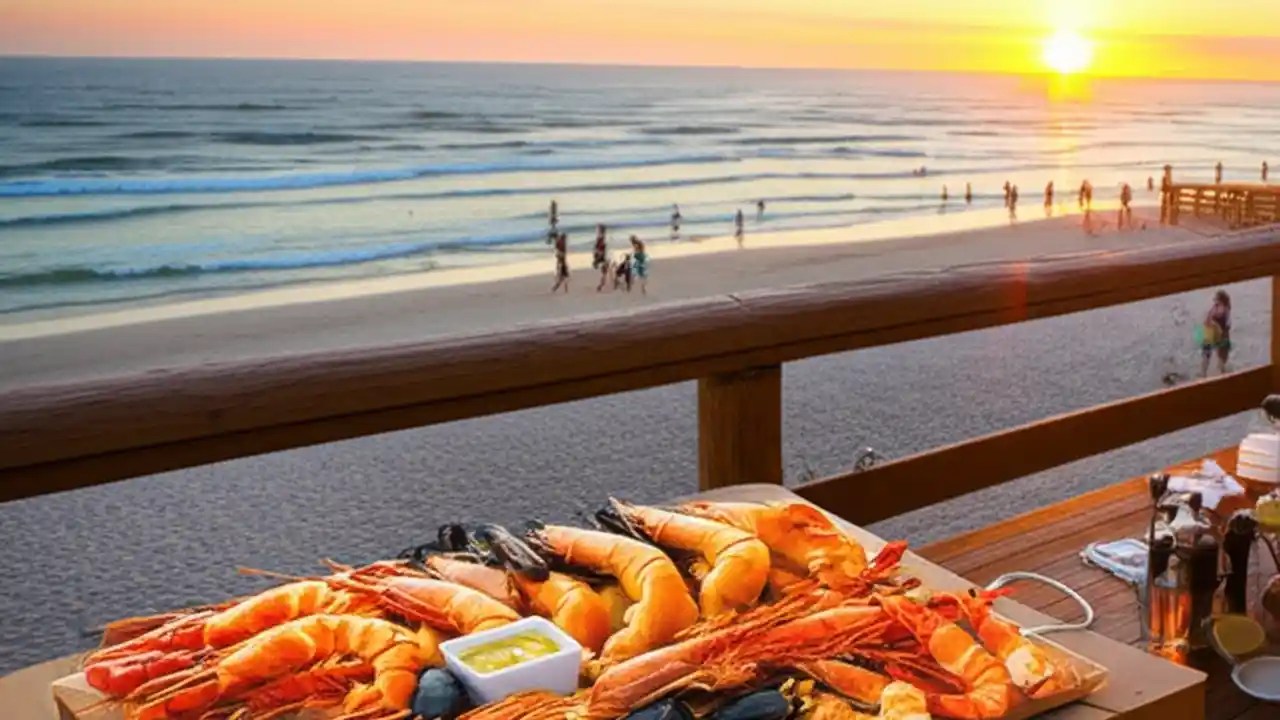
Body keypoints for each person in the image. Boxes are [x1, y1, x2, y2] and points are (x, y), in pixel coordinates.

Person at [1199, 290, 1232, 377]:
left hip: (1210, 333)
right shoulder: (1225, 309)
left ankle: (1204, 374)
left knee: (1207, 355)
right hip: (1218, 334)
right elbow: (1228, 325)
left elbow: (1206, 321)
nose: (1215, 301)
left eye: (1217, 299)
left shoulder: (1215, 308)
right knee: (1221, 357)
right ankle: (1221, 372)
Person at [592, 224, 609, 292]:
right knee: (604, 272)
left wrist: (597, 254)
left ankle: (601, 285)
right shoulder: (602, 238)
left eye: (598, 230)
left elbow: (600, 248)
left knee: (604, 271)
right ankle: (601, 285)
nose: (597, 231)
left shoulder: (601, 239)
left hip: (601, 256)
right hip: (602, 256)